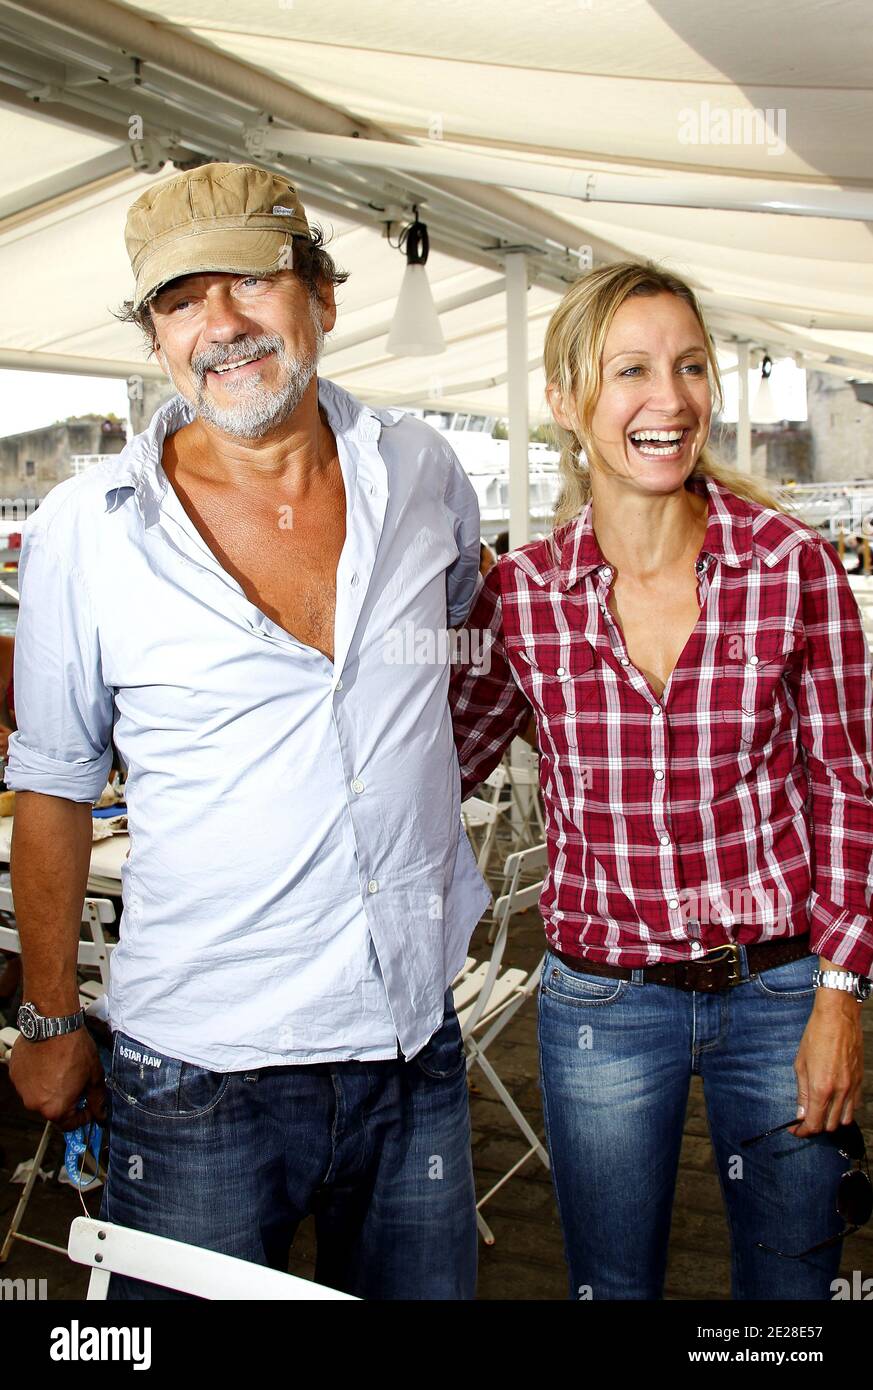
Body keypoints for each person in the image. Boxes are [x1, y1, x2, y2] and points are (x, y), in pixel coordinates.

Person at [7, 162, 488, 1300]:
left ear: (321, 295)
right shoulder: (89, 529)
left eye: (252, 281)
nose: (219, 324)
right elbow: (55, 785)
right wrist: (47, 1012)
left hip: (414, 1043)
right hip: (198, 1070)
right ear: (156, 337)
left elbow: (464, 634)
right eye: (180, 301)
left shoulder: (421, 471)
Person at [449, 260, 873, 1300]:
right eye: (630, 368)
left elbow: (851, 794)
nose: (669, 397)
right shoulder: (524, 596)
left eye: (689, 367)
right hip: (602, 1000)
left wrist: (843, 998)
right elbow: (435, 762)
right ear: (566, 400)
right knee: (610, 1287)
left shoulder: (792, 566)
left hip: (780, 991)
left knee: (790, 1295)